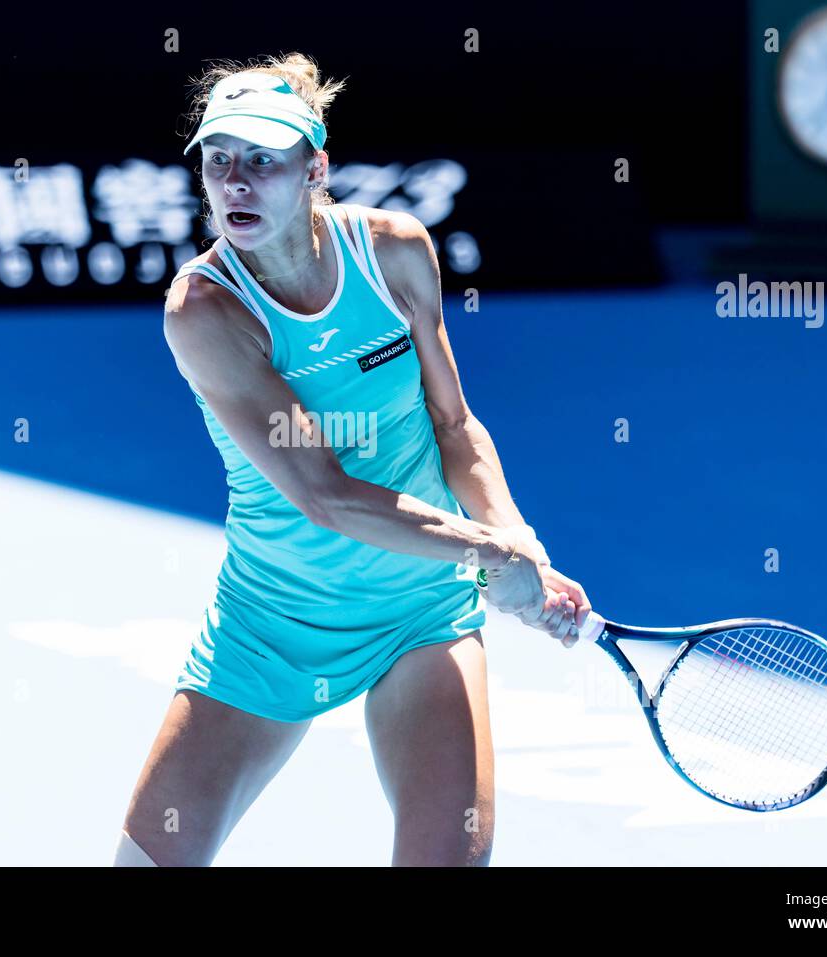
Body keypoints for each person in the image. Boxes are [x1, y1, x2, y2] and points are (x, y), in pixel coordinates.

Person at [115, 53, 592, 867]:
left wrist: (520, 540)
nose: (236, 181)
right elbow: (328, 496)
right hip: (273, 624)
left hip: (421, 611)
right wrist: (488, 552)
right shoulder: (203, 311)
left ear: (316, 168)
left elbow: (454, 424)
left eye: (264, 160)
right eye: (219, 160)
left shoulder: (395, 253)